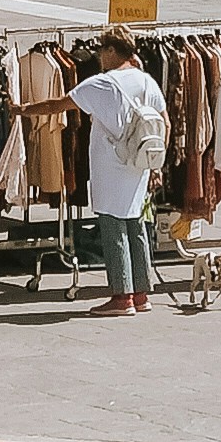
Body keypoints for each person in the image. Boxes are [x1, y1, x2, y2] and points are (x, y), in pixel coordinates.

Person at [74, 41, 168, 317]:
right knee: (135, 225)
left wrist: (23, 109)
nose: (100, 57)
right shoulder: (146, 81)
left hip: (111, 167)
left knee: (113, 227)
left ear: (112, 51)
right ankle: (141, 293)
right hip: (139, 163)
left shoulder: (102, 84)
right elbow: (165, 121)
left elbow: (62, 103)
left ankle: (122, 296)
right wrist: (156, 165)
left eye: (102, 51)